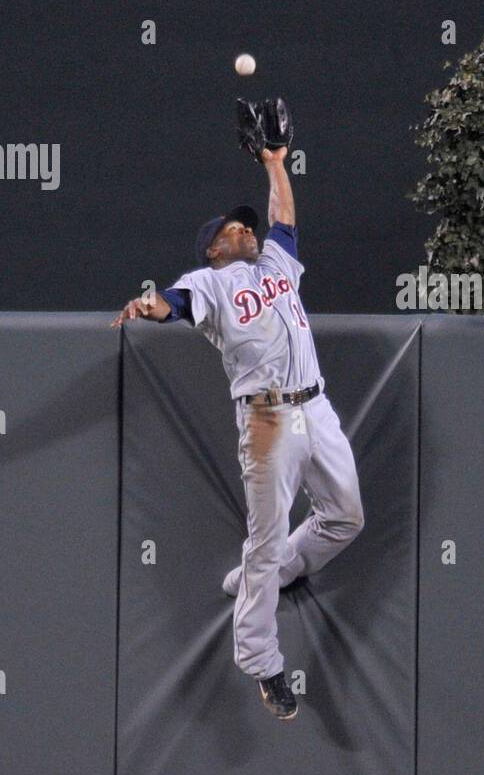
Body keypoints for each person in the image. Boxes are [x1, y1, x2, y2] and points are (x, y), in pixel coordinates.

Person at [111, 132, 364, 722]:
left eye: (247, 227)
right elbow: (169, 303)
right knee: (266, 539)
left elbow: (284, 220)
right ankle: (262, 661)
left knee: (347, 516)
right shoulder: (209, 284)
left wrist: (275, 164)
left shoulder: (275, 262)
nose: (247, 231)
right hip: (268, 419)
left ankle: (275, 575)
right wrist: (145, 306)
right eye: (234, 230)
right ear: (214, 250)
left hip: (316, 406)